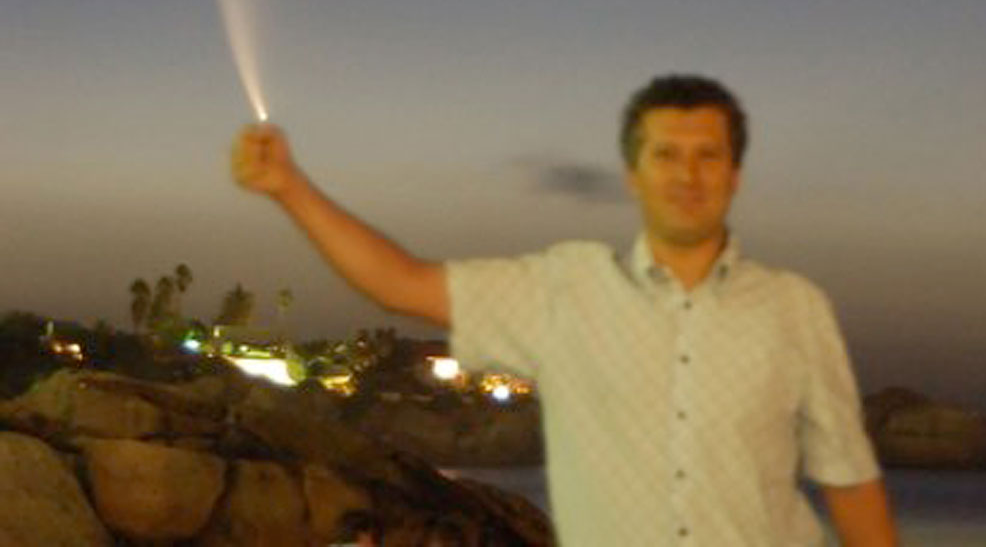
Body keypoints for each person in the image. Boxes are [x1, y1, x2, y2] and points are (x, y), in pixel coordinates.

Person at [232, 73, 898, 546]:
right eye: (666, 154)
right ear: (633, 175)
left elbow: (851, 482)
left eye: (708, 155)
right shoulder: (566, 289)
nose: (687, 174)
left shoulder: (793, 308)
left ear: (735, 174)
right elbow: (402, 283)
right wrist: (290, 187)